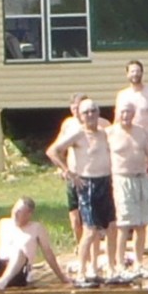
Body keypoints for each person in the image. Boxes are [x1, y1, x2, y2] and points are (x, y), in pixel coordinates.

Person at [46, 97, 118, 286]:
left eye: (93, 111)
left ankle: (111, 268)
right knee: (90, 230)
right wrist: (68, 172)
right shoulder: (77, 134)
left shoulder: (104, 133)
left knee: (111, 227)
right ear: (80, 115)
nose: (90, 115)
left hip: (105, 181)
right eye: (86, 112)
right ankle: (82, 271)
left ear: (98, 112)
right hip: (87, 184)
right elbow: (52, 151)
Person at [107, 101, 148, 280]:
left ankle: (138, 263)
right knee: (124, 223)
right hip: (121, 178)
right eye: (122, 112)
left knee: (142, 223)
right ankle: (120, 264)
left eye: (129, 112)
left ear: (134, 114)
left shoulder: (140, 132)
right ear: (117, 113)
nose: (125, 115)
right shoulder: (109, 133)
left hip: (142, 178)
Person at [0, 197, 70, 290]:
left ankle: (2, 282)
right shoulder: (4, 223)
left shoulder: (36, 228)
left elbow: (48, 254)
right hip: (1, 265)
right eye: (14, 209)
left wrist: (62, 277)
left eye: (19, 212)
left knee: (18, 252)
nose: (15, 214)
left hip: (19, 272)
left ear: (29, 214)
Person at [54, 92, 88, 243]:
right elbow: (57, 148)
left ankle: (91, 244)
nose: (76, 111)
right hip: (73, 174)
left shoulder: (97, 124)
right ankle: (79, 243)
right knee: (74, 215)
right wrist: (63, 169)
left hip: (90, 174)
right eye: (73, 108)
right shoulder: (68, 124)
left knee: (89, 216)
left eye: (78, 108)